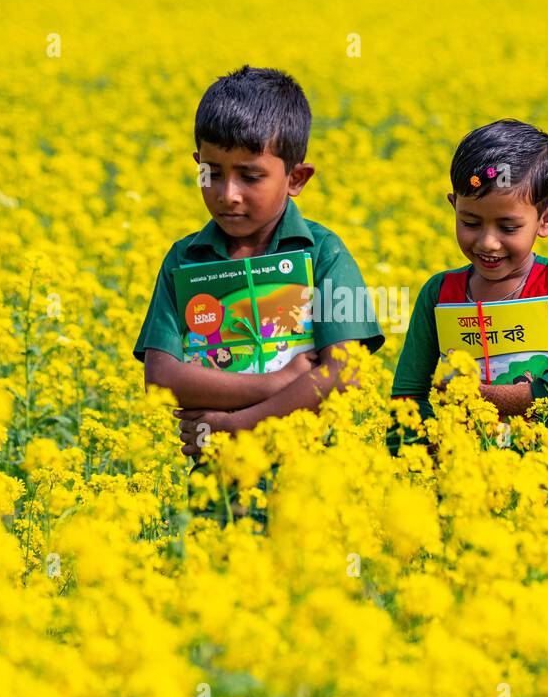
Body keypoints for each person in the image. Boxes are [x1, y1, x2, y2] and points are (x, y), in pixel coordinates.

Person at [134, 65, 384, 456]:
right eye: (211, 173)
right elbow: (161, 377)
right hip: (216, 483)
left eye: (249, 177)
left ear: (296, 178)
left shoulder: (324, 254)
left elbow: (344, 371)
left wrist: (236, 427)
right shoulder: (184, 261)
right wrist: (275, 383)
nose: (227, 193)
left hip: (315, 476)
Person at [391, 119, 548, 442]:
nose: (487, 242)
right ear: (453, 207)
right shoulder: (438, 294)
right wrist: (417, 459)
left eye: (508, 227)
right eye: (470, 222)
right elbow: (407, 397)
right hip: (458, 480)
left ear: (546, 220)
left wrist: (478, 396)